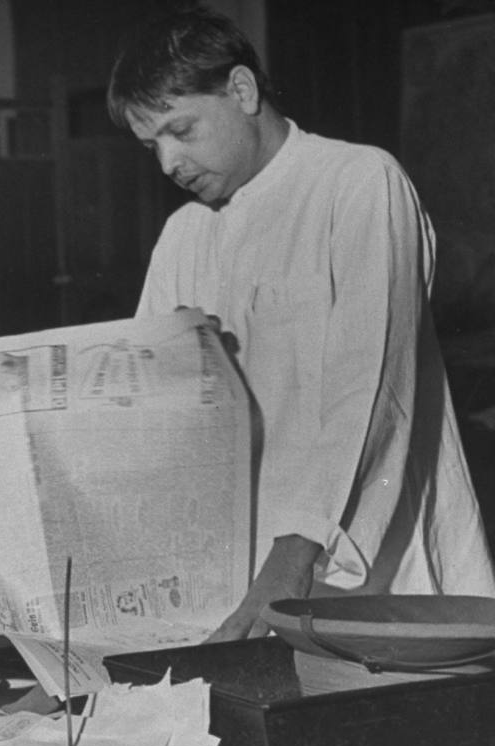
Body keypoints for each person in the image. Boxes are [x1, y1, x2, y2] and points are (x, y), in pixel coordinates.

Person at [108, 6, 495, 641]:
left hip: (365, 571)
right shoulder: (185, 234)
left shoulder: (358, 183)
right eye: (152, 145)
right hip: (243, 579)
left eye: (181, 131)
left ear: (241, 90)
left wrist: (287, 569)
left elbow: (369, 391)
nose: (168, 164)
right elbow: (150, 412)